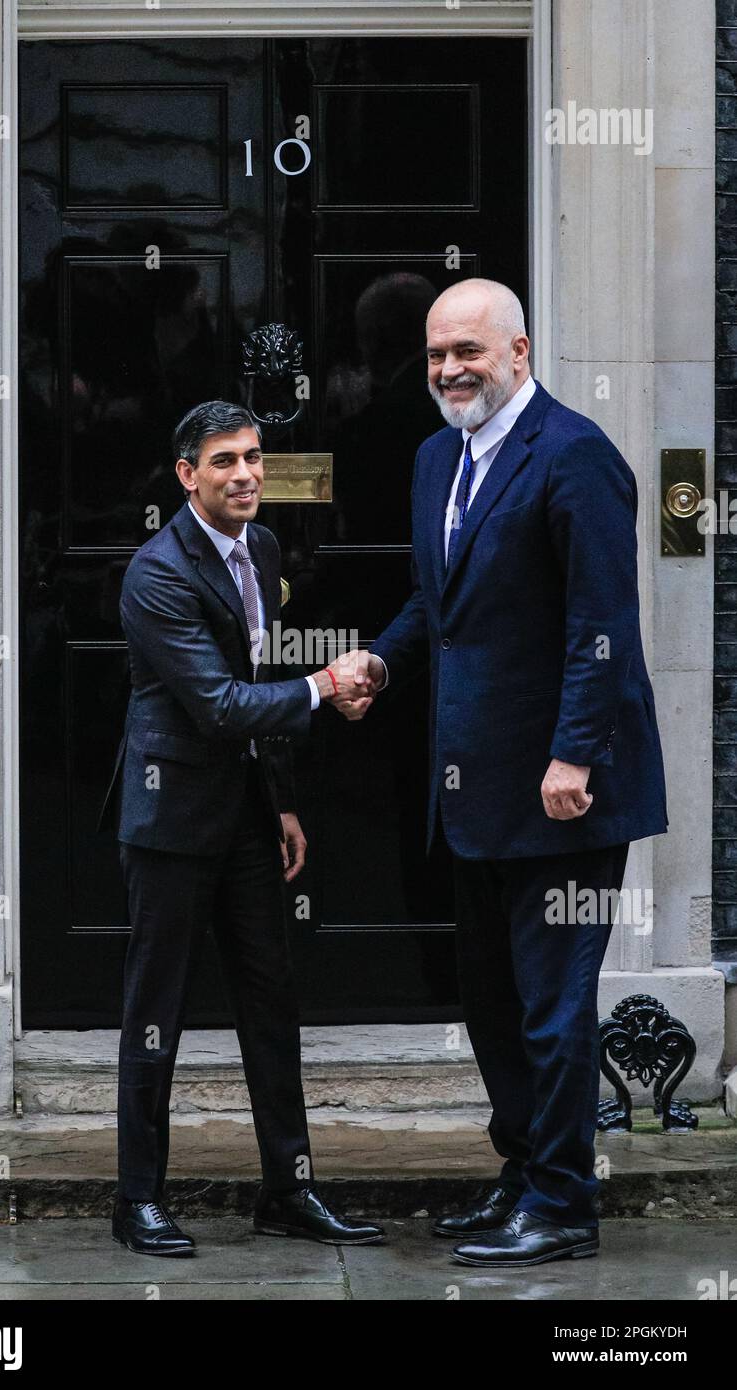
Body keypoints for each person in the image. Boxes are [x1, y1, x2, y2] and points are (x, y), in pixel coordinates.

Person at [335, 278, 668, 1267]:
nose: (448, 370)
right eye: (438, 353)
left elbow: (599, 624)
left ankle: (563, 1203)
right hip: (468, 787)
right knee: (487, 998)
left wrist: (572, 751)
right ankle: (522, 1172)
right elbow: (435, 602)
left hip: (563, 794)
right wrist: (380, 659)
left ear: (517, 352)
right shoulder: (438, 455)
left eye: (468, 352)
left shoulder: (573, 457)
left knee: (550, 1003)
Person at [97, 400, 383, 1255]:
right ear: (187, 476)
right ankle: (137, 1199)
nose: (246, 474)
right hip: (173, 822)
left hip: (250, 820)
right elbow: (221, 706)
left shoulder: (260, 548)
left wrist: (284, 801)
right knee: (158, 1011)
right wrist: (325, 689)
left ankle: (287, 1191)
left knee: (272, 1005)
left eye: (254, 457)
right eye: (224, 461)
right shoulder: (156, 574)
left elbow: (257, 674)